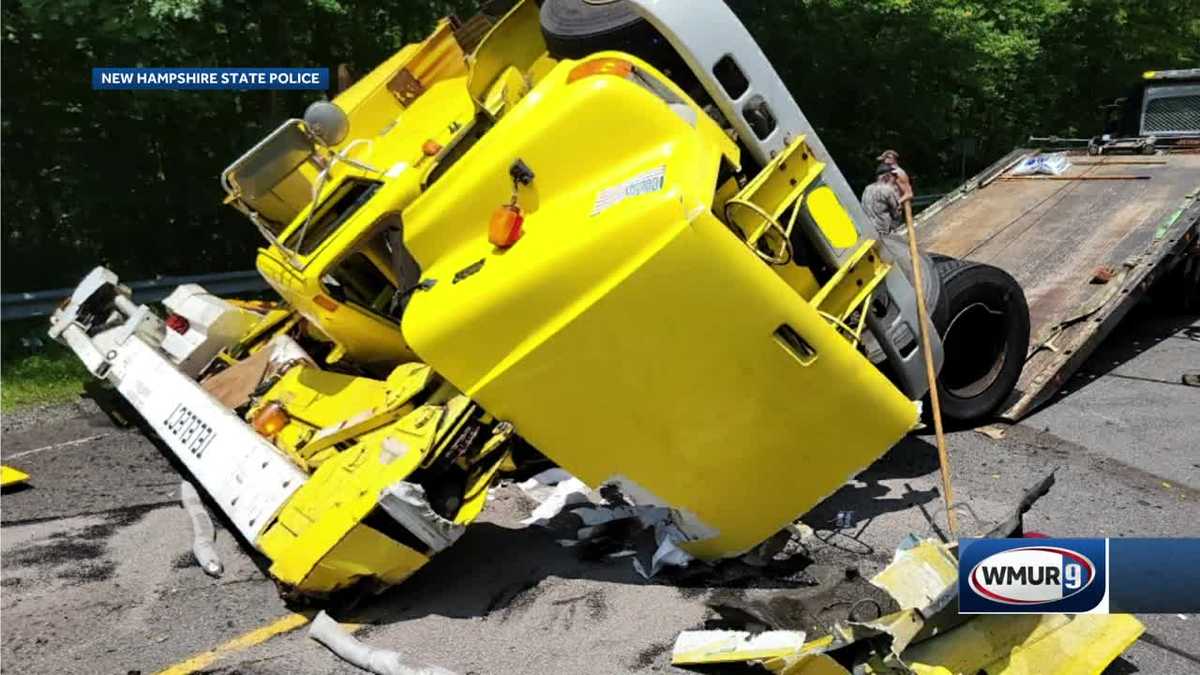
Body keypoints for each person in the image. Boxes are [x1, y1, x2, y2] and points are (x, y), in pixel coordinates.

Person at [861, 164, 902, 234]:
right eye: (891, 175)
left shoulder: (867, 189)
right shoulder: (887, 189)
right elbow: (896, 213)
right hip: (884, 229)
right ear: (886, 176)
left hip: (868, 228)